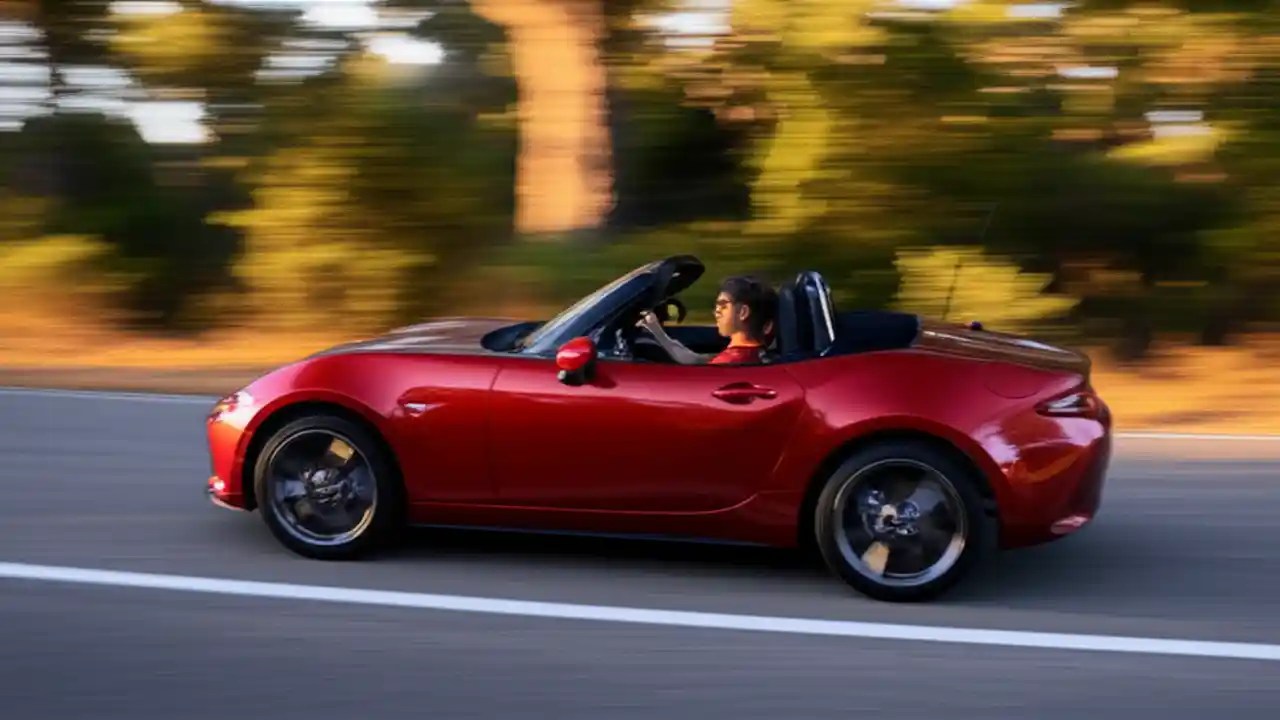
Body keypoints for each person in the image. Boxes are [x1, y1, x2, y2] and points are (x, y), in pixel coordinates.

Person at [636, 275, 778, 365]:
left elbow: (699, 365)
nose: (716, 311)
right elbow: (695, 360)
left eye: (723, 306)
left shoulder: (730, 362)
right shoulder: (755, 356)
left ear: (743, 312)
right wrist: (657, 331)